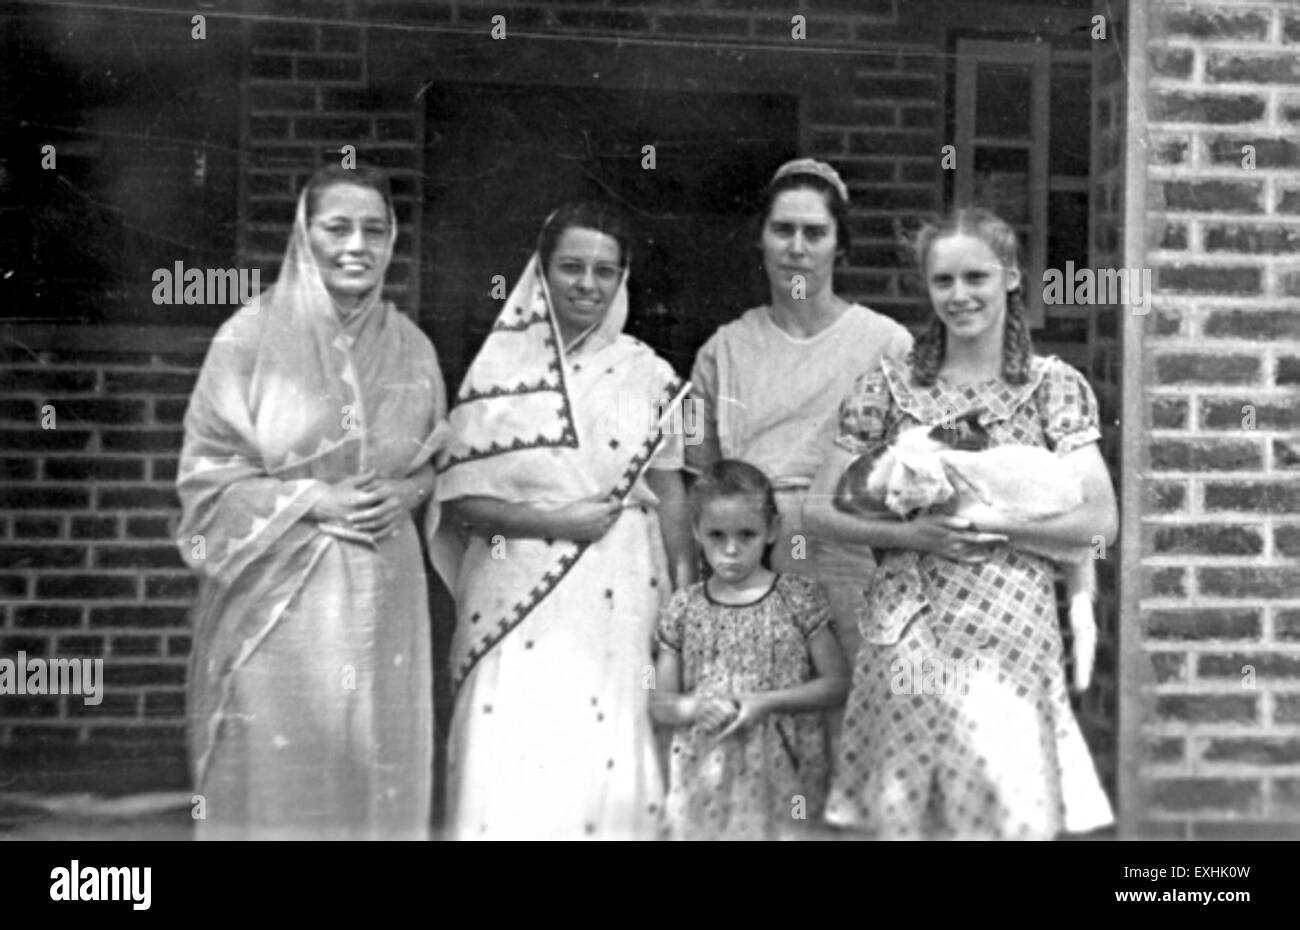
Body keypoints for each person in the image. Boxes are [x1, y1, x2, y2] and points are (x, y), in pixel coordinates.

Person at [804, 207, 1117, 839]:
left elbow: (1099, 524)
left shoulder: (1053, 388)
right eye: (943, 281)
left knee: (1005, 813)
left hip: (1010, 631)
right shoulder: (886, 388)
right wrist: (911, 536)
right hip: (910, 630)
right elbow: (817, 510)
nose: (960, 295)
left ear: (1011, 278)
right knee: (909, 814)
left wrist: (992, 523)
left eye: (976, 277)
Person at [177, 164, 447, 839]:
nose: (357, 245)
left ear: (391, 243)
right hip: (280, 609)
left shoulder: (413, 348)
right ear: (305, 234)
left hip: (386, 599)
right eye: (337, 228)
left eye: (374, 230)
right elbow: (206, 481)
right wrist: (313, 497)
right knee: (285, 772)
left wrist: (408, 490)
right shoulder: (247, 339)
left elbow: (441, 466)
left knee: (374, 762)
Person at [432, 201, 695, 840]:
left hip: (624, 586)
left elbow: (671, 491)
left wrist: (688, 601)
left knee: (608, 744)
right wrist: (557, 522)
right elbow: (460, 501)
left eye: (605, 270)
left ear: (622, 278)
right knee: (509, 741)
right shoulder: (501, 373)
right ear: (542, 273)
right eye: (571, 267)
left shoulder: (649, 374)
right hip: (512, 587)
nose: (587, 283)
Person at [687, 158, 913, 671]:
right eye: (782, 230)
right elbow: (698, 481)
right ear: (760, 240)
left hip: (848, 563)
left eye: (815, 233)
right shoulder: (723, 350)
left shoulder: (887, 345)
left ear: (840, 245)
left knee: (848, 728)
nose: (797, 247)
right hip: (747, 562)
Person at [651, 459, 849, 840]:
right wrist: (695, 706)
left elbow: (837, 684)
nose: (731, 550)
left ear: (772, 530)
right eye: (716, 536)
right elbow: (661, 703)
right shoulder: (683, 607)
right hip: (706, 771)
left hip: (785, 772)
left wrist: (767, 702)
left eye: (746, 535)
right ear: (696, 531)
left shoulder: (797, 597)